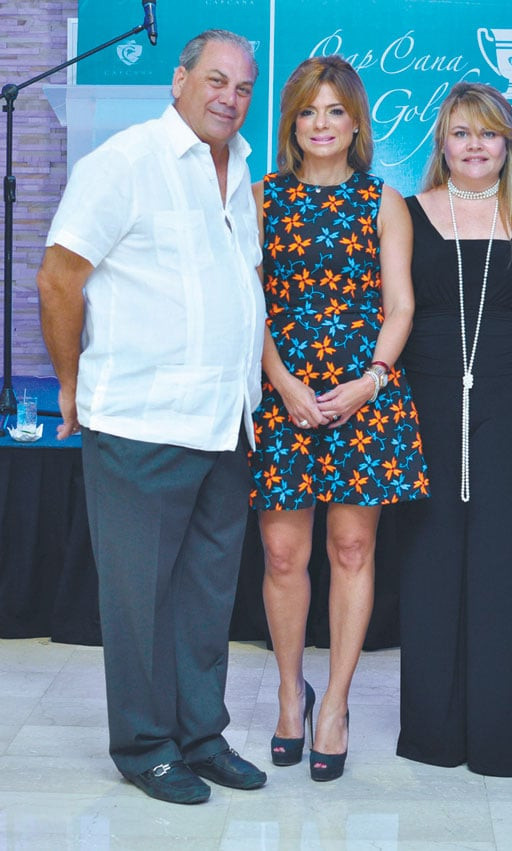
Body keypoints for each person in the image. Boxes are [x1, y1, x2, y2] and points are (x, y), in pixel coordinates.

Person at [36, 30, 267, 805]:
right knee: (138, 599)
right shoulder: (123, 163)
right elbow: (59, 278)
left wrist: (248, 401)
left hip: (222, 424)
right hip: (138, 424)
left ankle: (201, 735)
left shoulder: (239, 171)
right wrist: (71, 385)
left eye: (242, 87)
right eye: (215, 80)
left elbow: (237, 294)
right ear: (179, 81)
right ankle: (144, 745)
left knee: (205, 597)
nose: (229, 97)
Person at [249, 55, 427, 782]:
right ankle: (292, 695)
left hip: (364, 397)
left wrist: (370, 381)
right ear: (292, 123)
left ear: (356, 123)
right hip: (283, 392)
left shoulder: (383, 200)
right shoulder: (262, 197)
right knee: (284, 557)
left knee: (352, 550)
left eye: (334, 112)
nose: (320, 125)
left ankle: (336, 706)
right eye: (306, 112)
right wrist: (282, 380)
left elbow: (403, 305)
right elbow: (248, 303)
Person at [395, 82, 512, 777]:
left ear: (508, 143)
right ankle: (432, 733)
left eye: (488, 134)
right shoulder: (405, 213)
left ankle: (498, 739)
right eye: (461, 132)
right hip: (427, 399)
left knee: (503, 567)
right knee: (431, 563)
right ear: (442, 142)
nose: (474, 146)